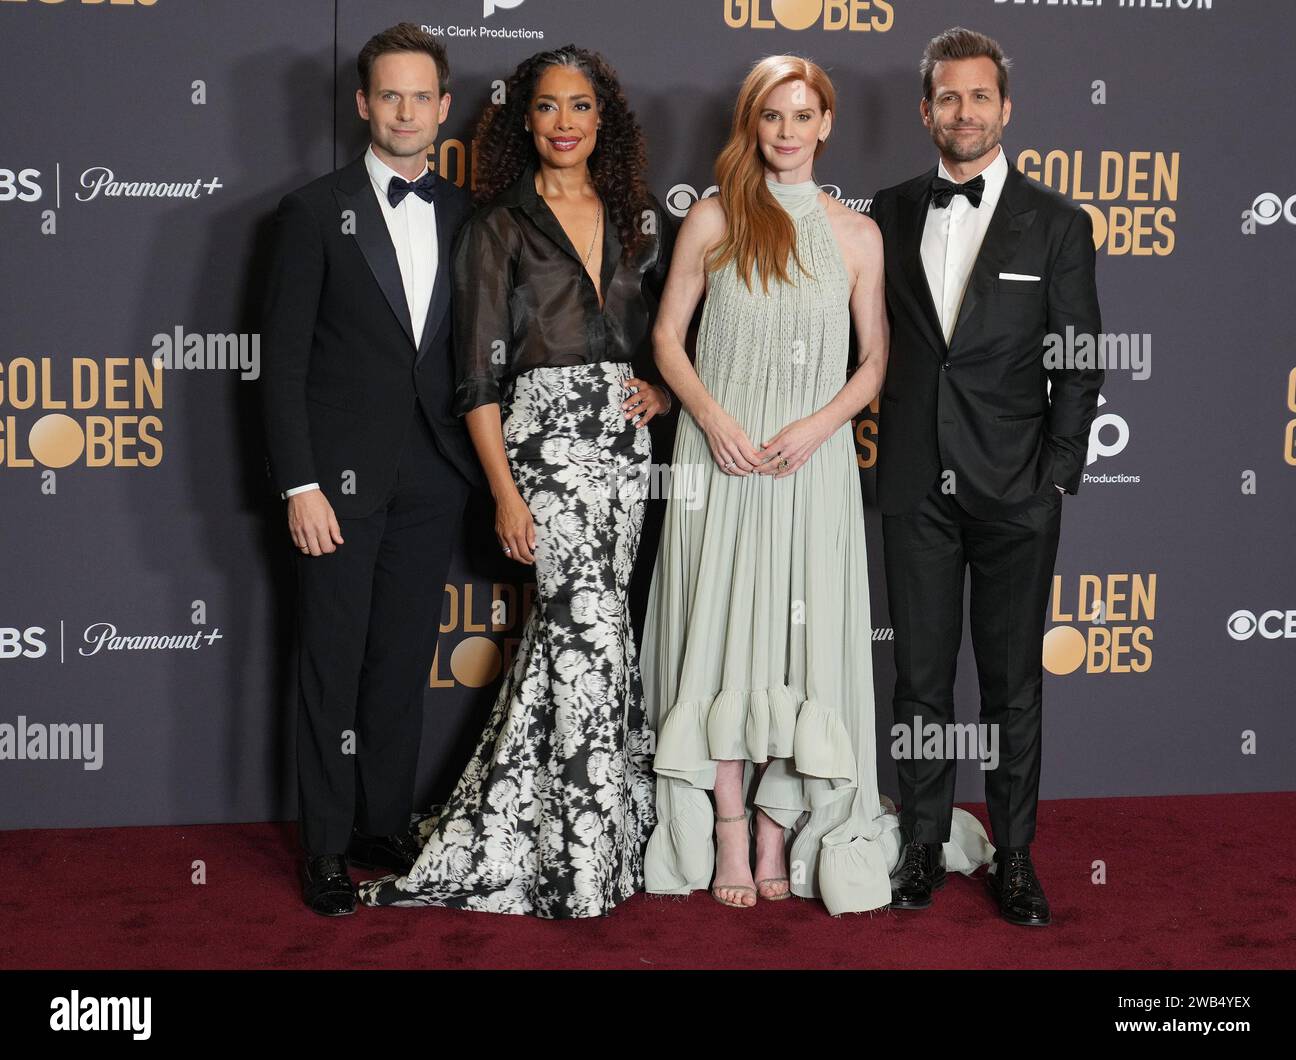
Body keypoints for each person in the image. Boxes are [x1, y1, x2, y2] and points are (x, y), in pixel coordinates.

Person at [641, 55, 993, 915]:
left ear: (826, 125)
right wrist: (716, 421)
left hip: (812, 461)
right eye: (773, 117)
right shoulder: (714, 220)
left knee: (795, 650)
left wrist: (816, 425)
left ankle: (776, 827)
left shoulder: (856, 234)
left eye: (803, 116)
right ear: (752, 126)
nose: (788, 132)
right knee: (717, 638)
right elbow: (666, 339)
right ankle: (725, 825)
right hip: (715, 457)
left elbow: (875, 361)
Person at [356, 45, 674, 918]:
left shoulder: (640, 216)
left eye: (579, 106)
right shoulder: (497, 226)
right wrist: (505, 490)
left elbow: (666, 331)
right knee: (585, 637)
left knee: (577, 644)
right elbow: (476, 378)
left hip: (623, 448)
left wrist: (656, 384)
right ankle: (577, 857)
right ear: (522, 119)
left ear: (602, 117)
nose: (563, 123)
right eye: (546, 107)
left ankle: (556, 832)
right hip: (542, 450)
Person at [868, 27, 1104, 926]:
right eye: (948, 98)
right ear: (926, 111)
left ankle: (1013, 855)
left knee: (1012, 686)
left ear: (1005, 110)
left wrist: (1057, 473)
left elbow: (1079, 358)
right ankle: (922, 844)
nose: (964, 113)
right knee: (920, 680)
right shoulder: (886, 211)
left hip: (1016, 490)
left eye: (980, 97)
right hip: (916, 486)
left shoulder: (1059, 222)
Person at [260, 24, 480, 916]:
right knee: (331, 663)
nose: (405, 110)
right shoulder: (314, 213)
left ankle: (380, 825)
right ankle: (322, 847)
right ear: (362, 105)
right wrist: (299, 484)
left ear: (443, 107)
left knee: (398, 662)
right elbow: (280, 364)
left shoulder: (469, 215)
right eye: (388, 94)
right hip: (335, 490)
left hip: (435, 479)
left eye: (420, 95)